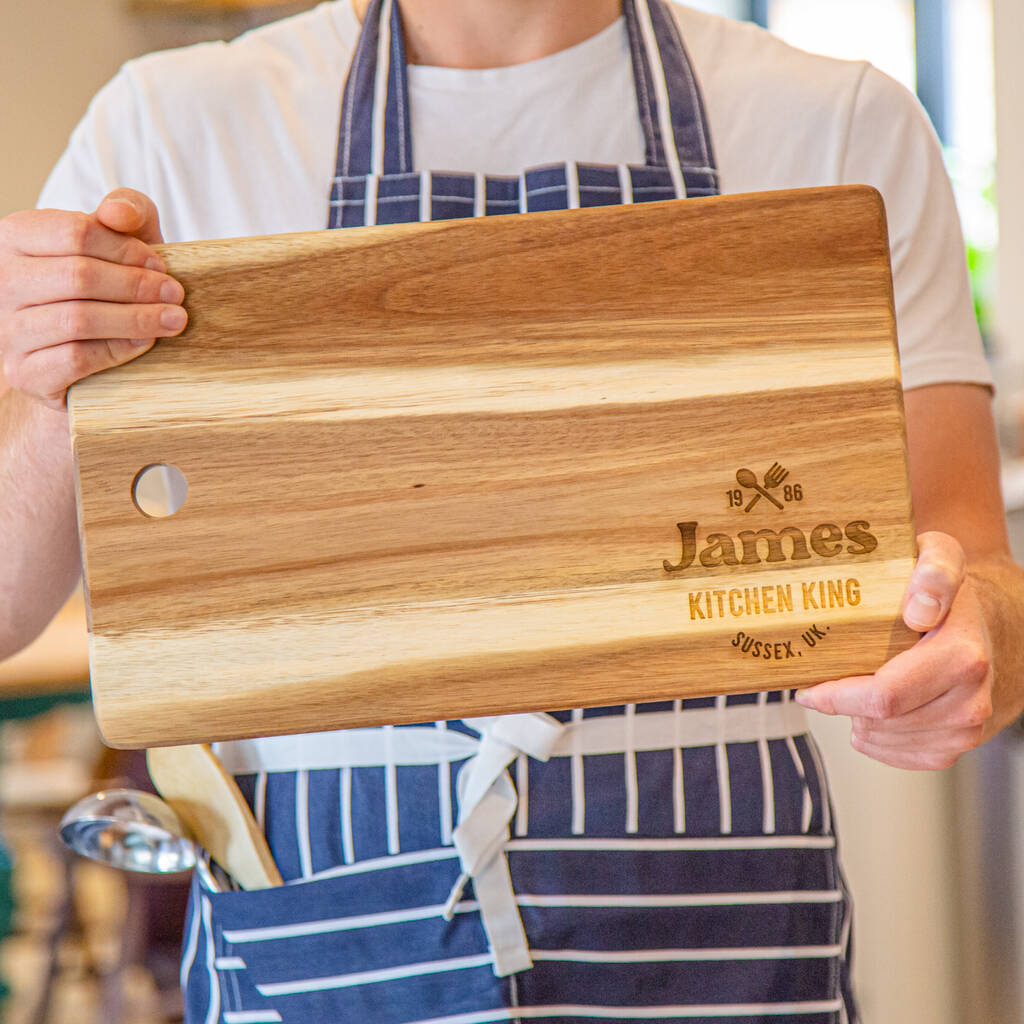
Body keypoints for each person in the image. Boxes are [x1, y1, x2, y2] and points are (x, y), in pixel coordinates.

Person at [1, 0, 1021, 1020]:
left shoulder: (836, 126)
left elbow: (978, 576)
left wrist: (975, 644)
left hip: (723, 940)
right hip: (322, 933)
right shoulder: (168, 131)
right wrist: (56, 389)